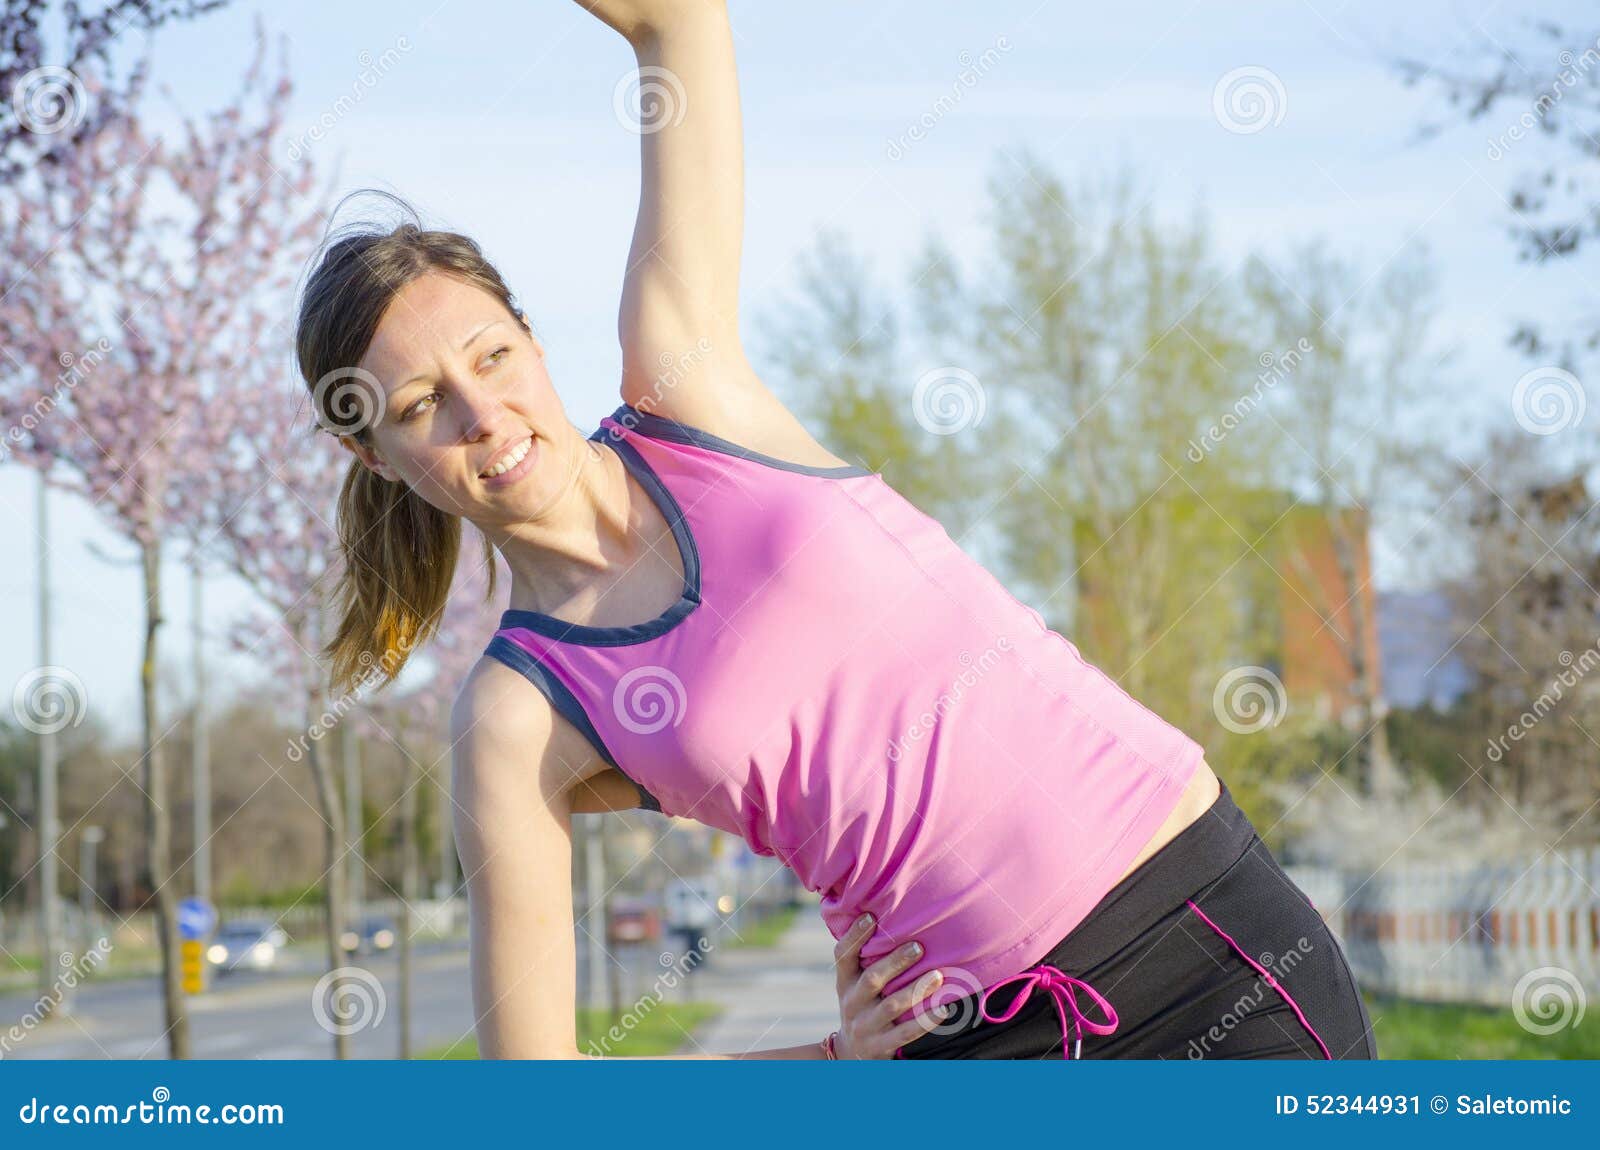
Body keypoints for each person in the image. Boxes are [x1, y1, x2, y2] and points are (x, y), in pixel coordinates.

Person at [296, 0, 1378, 1061]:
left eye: (491, 356)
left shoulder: (690, 393)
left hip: (1204, 939)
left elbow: (679, 23)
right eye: (418, 406)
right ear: (370, 452)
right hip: (977, 1054)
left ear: (531, 335)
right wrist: (824, 1064)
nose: (484, 416)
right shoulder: (518, 712)